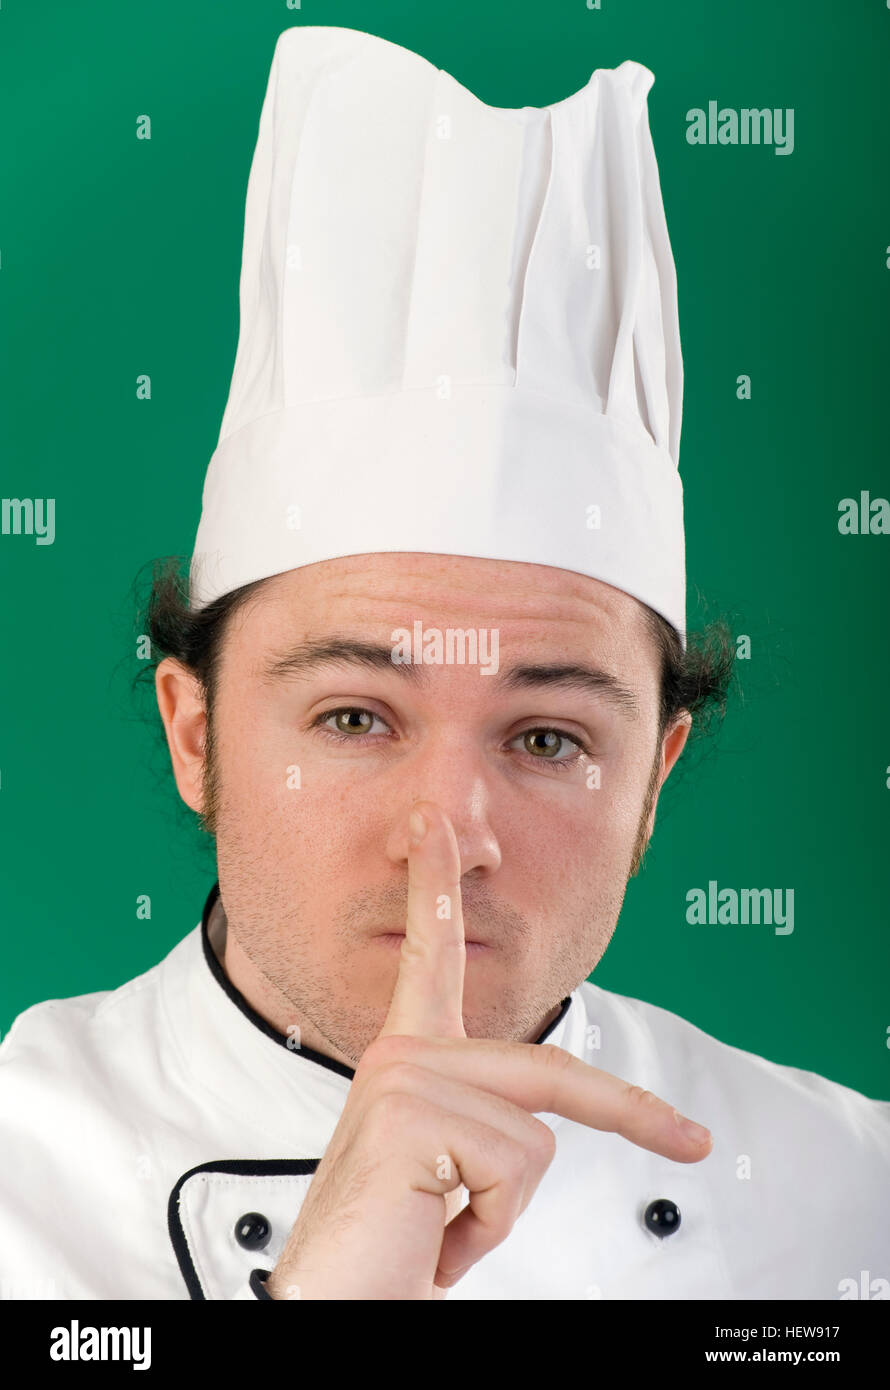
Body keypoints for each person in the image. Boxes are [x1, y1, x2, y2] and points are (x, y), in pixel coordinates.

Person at [1, 25, 887, 1302]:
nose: (448, 836)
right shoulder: (22, 1200)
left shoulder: (845, 1202)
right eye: (355, 716)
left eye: (545, 738)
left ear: (651, 784)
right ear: (193, 734)